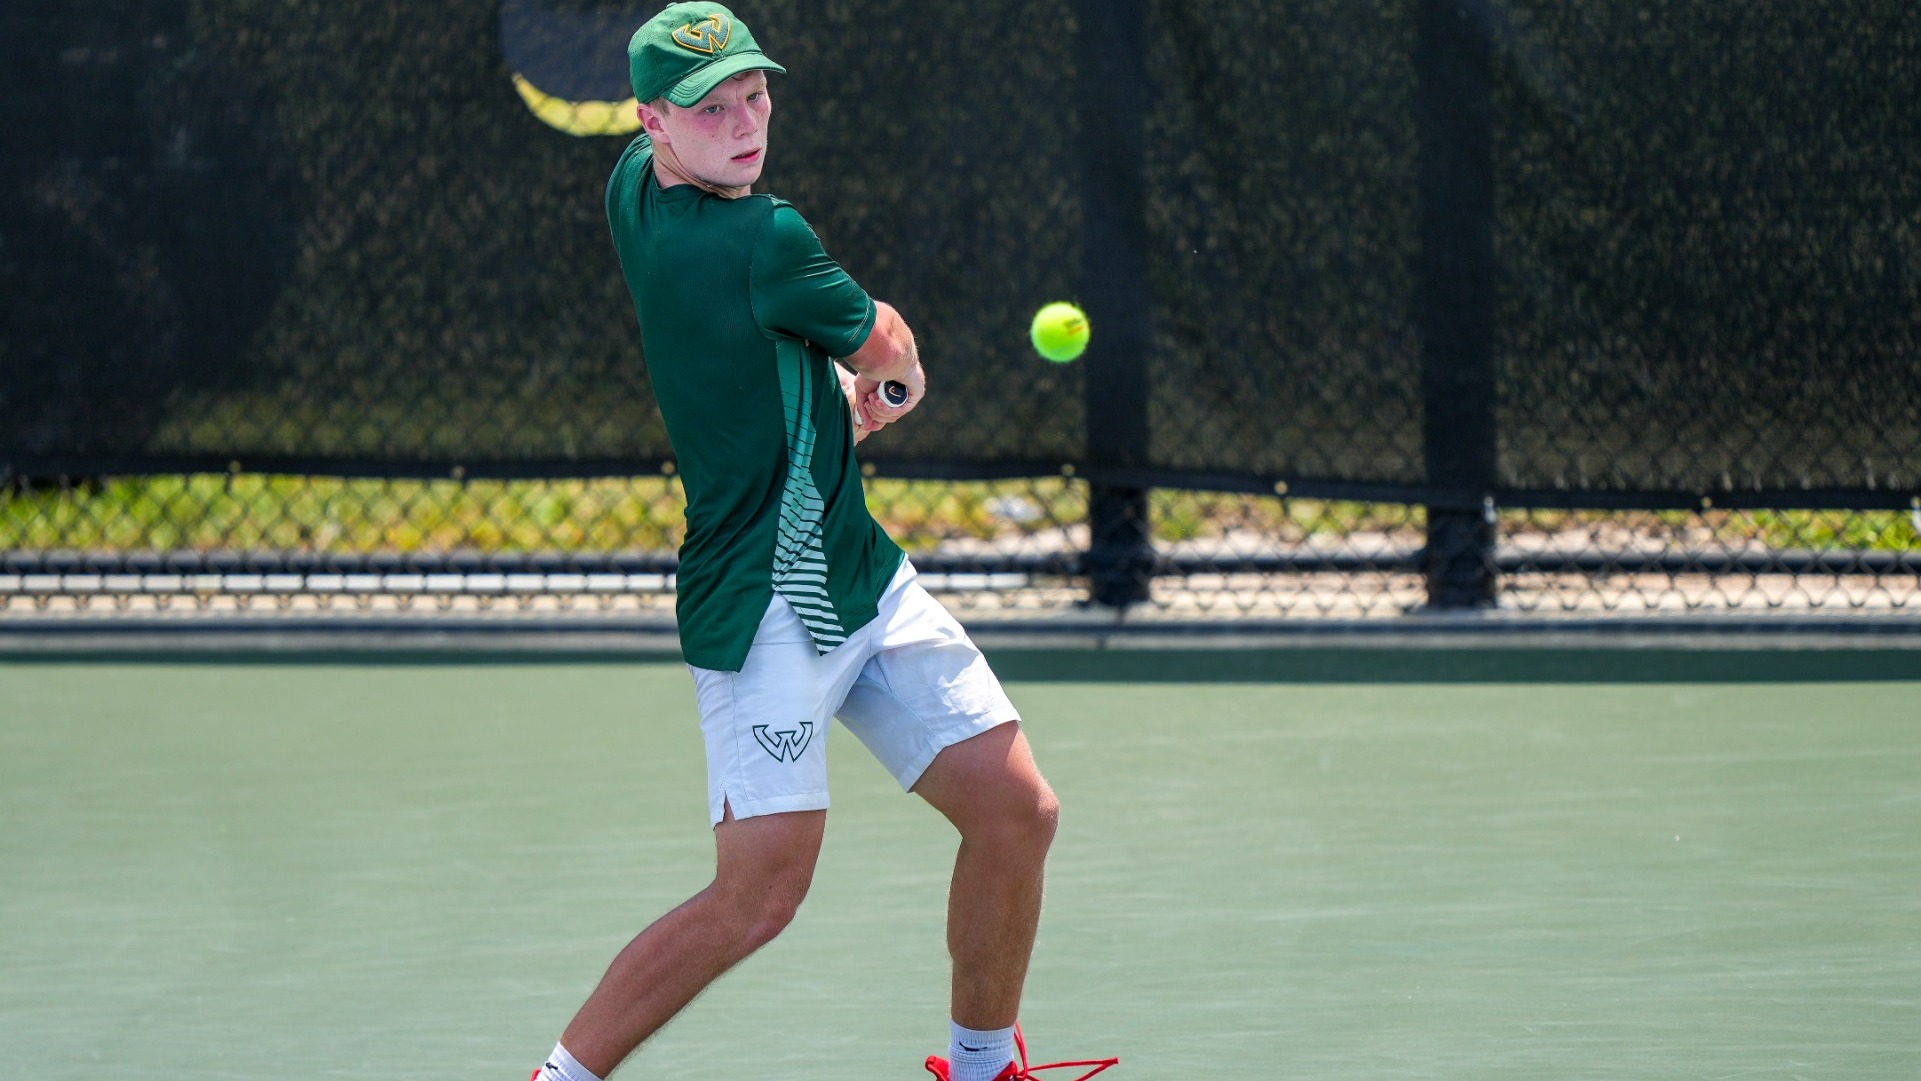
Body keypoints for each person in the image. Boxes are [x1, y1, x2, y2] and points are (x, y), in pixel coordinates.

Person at [532, 5, 1114, 1081]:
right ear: (656, 120)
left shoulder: (632, 192)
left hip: (852, 567)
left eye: (755, 94)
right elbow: (886, 344)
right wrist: (889, 387)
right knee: (757, 895)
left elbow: (758, 358)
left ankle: (982, 1066)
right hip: (764, 598)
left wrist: (821, 409)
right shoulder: (768, 239)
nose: (746, 122)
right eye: (713, 109)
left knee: (1016, 810)